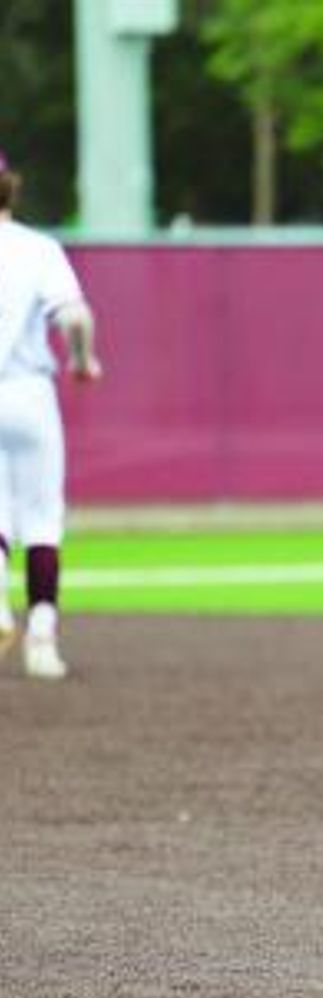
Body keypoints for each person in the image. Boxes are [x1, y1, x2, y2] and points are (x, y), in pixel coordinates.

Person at [0, 150, 102, 680]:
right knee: (42, 519)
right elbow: (76, 317)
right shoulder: (38, 249)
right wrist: (83, 361)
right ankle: (42, 637)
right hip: (28, 393)